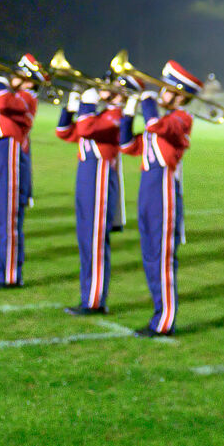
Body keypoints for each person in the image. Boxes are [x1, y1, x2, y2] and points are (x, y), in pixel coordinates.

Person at [122, 61, 208, 336]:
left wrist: (147, 101)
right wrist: (128, 112)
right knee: (150, 254)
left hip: (165, 190)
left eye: (168, 90)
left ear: (181, 97)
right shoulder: (162, 121)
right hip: (148, 190)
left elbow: (156, 125)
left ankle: (165, 320)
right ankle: (158, 314)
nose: (162, 93)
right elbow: (127, 145)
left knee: (162, 257)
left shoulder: (181, 119)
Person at [57, 79, 131, 315]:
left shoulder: (116, 116)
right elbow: (64, 132)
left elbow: (86, 129)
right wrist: (69, 109)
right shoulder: (101, 114)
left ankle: (94, 301)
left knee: (95, 240)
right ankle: (88, 297)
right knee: (86, 239)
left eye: (111, 86)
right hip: (87, 175)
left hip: (100, 176)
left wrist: (87, 104)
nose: (104, 89)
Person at [0, 54, 41, 289]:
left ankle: (10, 275)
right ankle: (4, 270)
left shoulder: (27, 98)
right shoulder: (12, 97)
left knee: (9, 217)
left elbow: (2, 103)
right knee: (1, 216)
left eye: (19, 73)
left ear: (29, 80)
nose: (13, 76)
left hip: (11, 153)